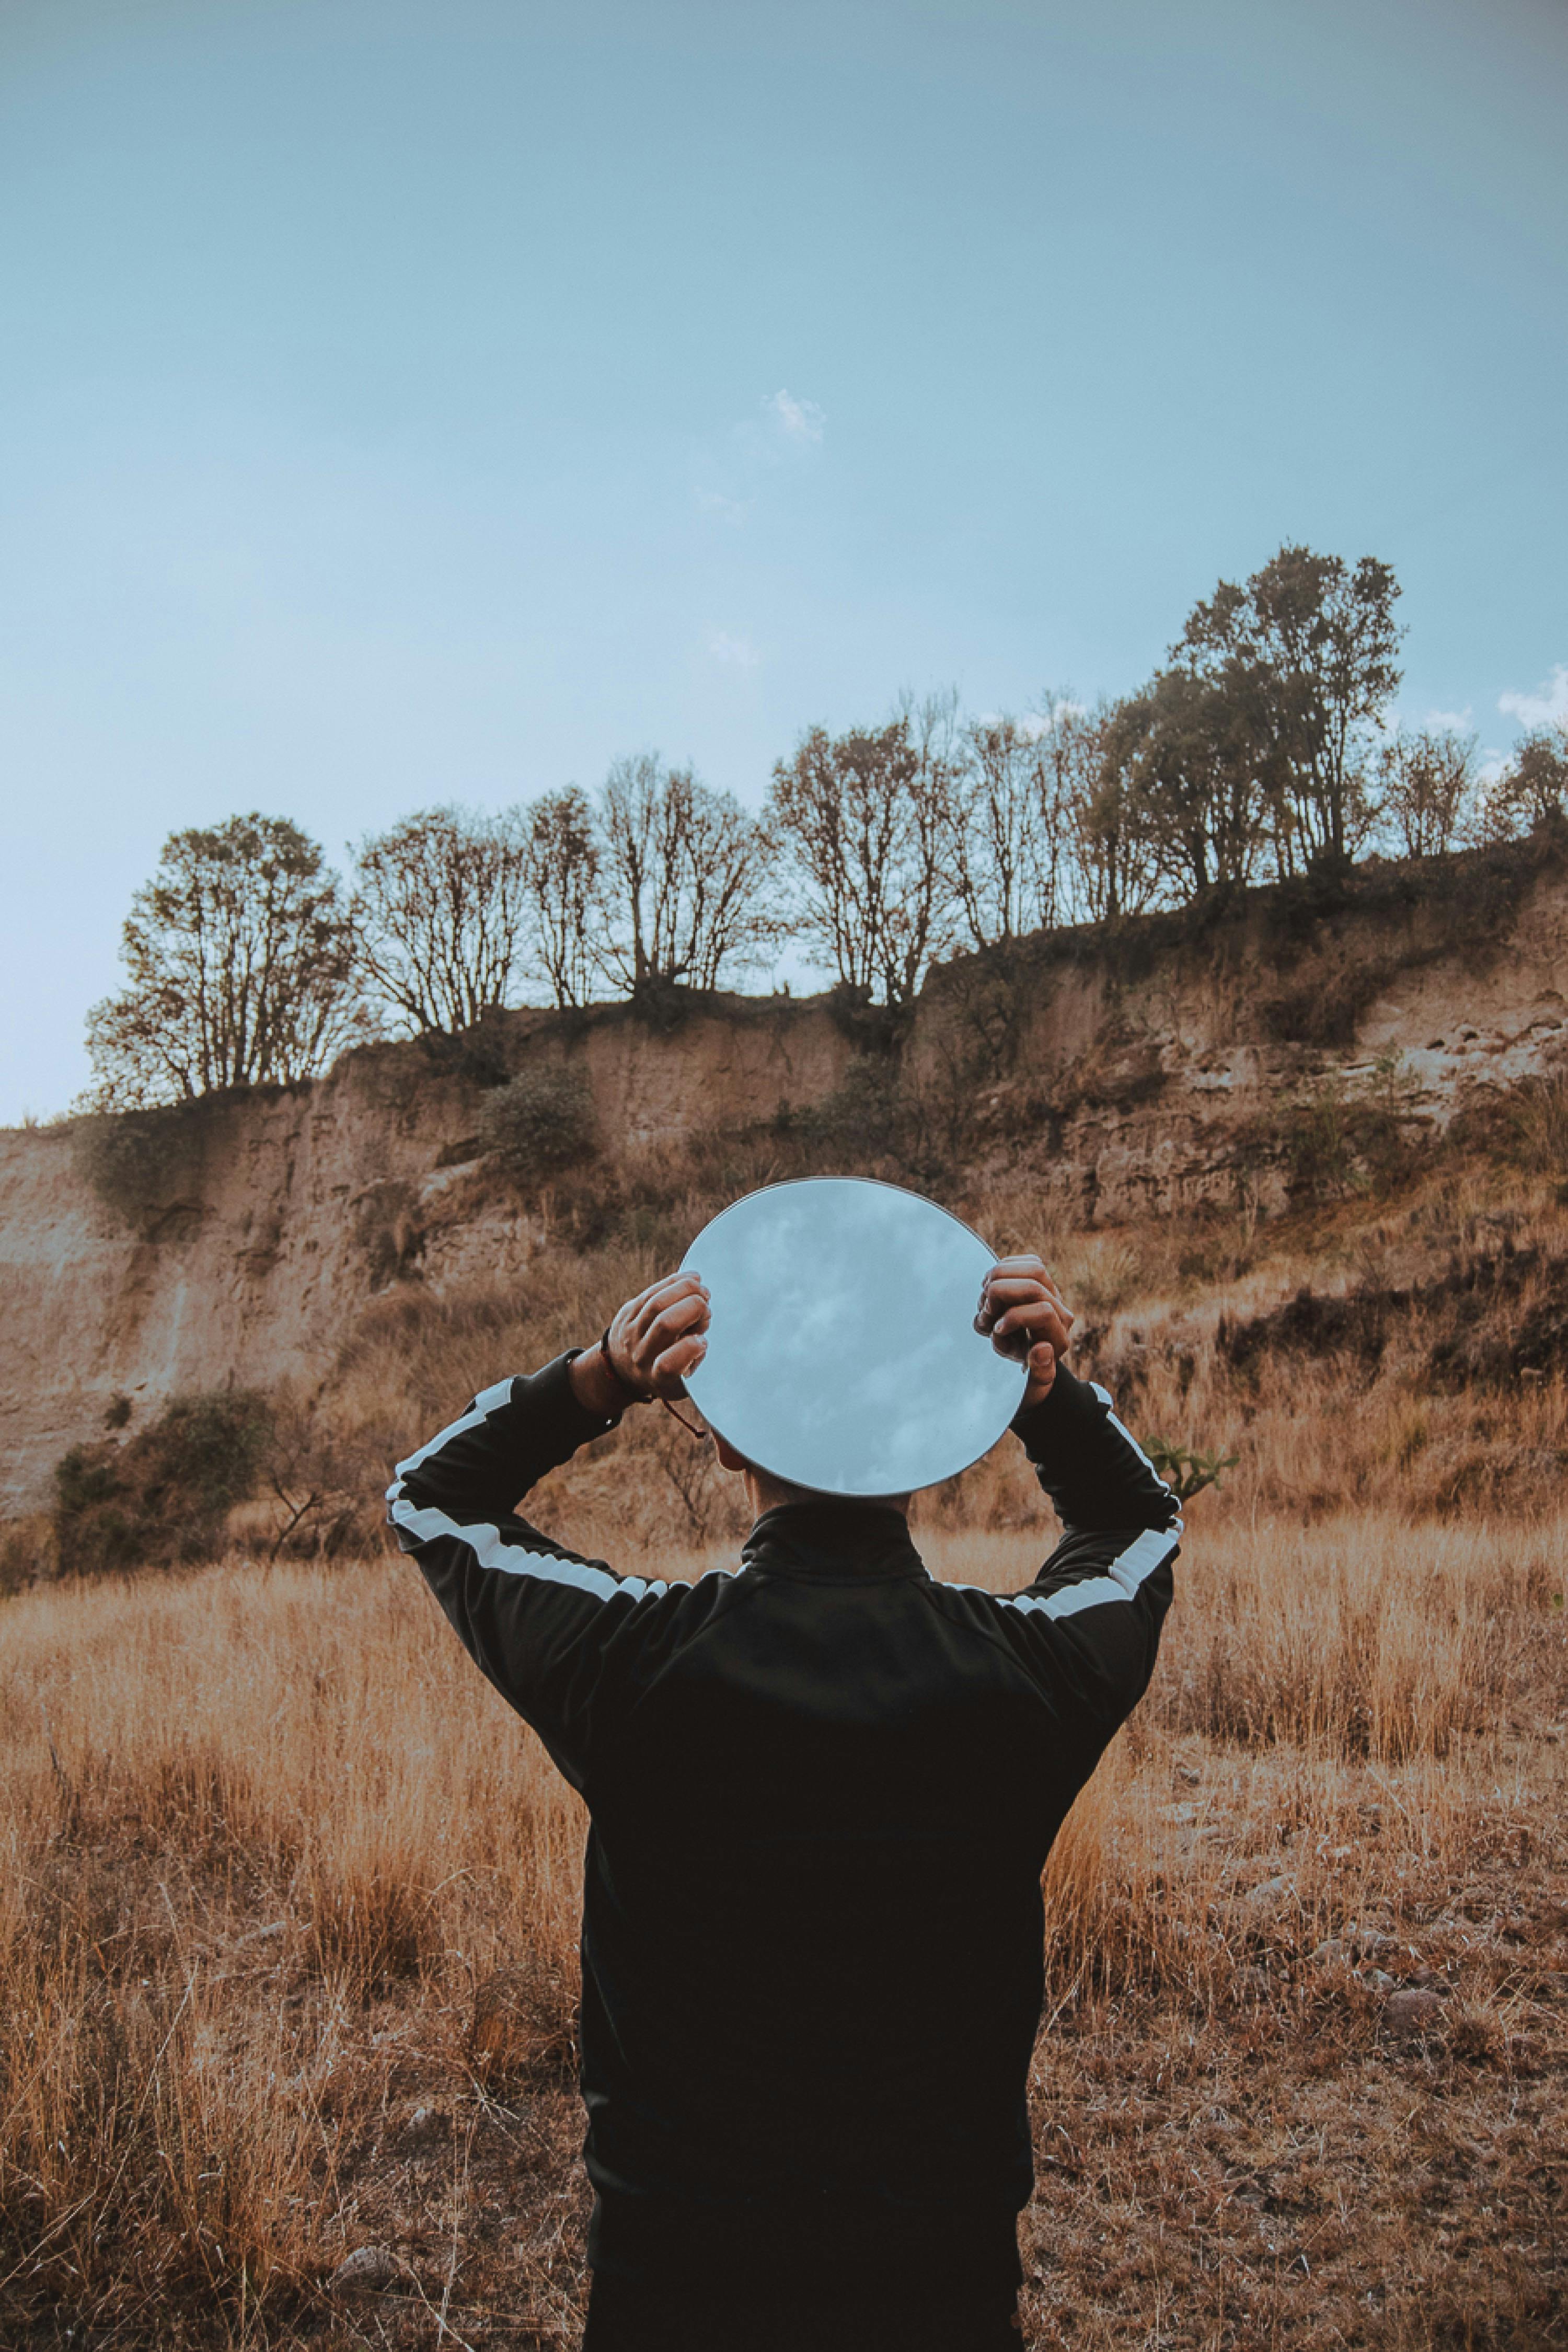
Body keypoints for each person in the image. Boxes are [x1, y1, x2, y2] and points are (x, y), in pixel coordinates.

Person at [386, 1253, 1180, 2350]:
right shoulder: (1026, 1675)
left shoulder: (631, 1664)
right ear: (937, 1439)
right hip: (940, 2289)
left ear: (718, 1431)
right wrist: (1052, 1405)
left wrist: (603, 1378)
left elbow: (429, 1494)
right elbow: (1141, 1527)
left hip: (675, 2288)